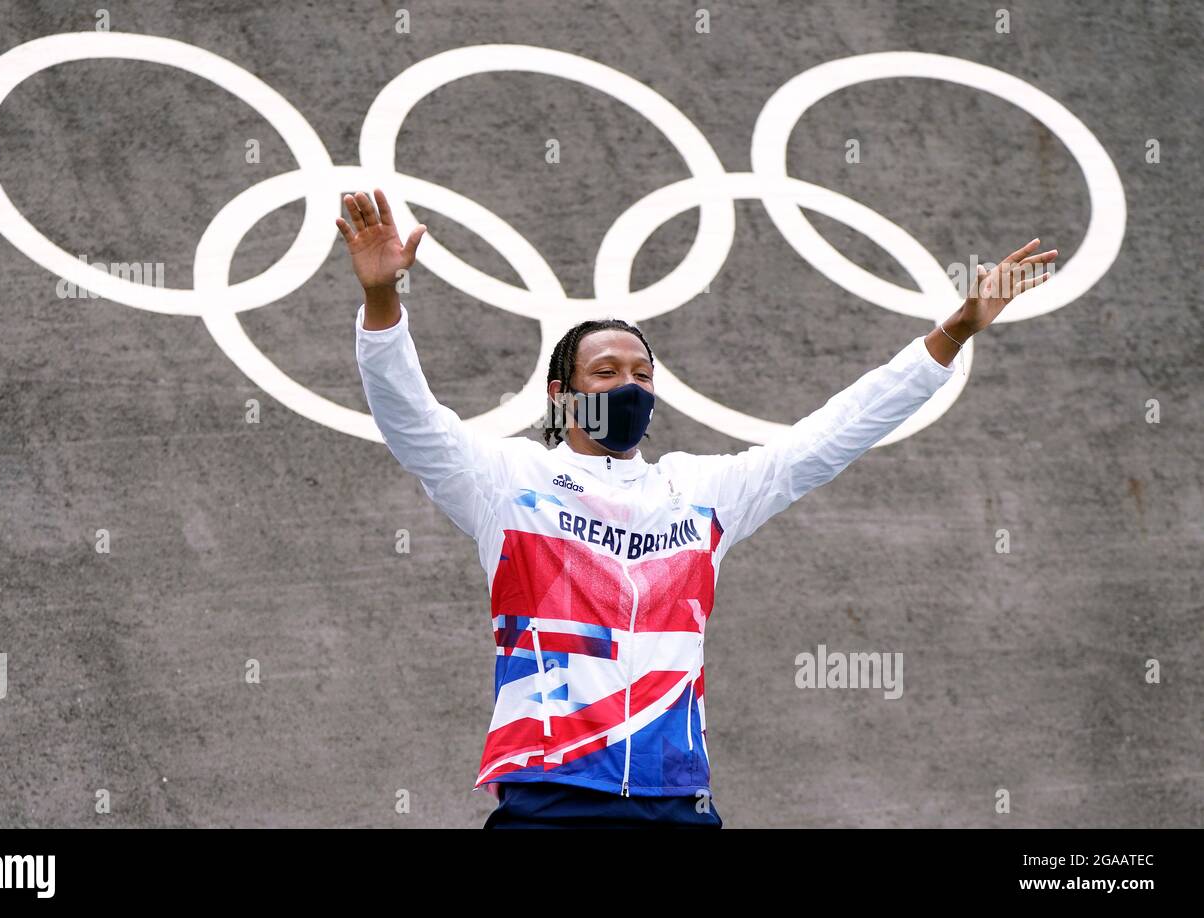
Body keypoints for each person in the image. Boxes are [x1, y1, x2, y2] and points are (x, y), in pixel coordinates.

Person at [338, 188, 1057, 828]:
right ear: (561, 396)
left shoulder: (700, 494)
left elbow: (832, 435)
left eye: (643, 375)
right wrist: (382, 303)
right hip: (549, 797)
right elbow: (411, 420)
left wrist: (953, 333)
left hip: (678, 803)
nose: (630, 385)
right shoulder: (508, 481)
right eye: (606, 372)